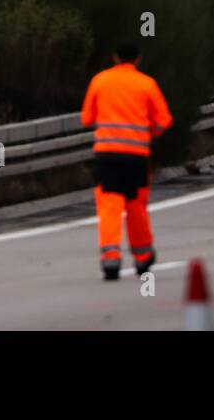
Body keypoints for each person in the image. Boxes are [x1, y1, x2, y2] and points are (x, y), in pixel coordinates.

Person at [80, 41, 173, 280]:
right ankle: (142, 256)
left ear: (114, 57)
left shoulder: (99, 81)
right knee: (136, 206)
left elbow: (86, 118)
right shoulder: (146, 84)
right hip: (136, 157)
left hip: (107, 155)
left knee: (109, 205)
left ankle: (110, 258)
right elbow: (164, 120)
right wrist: (146, 133)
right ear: (138, 59)